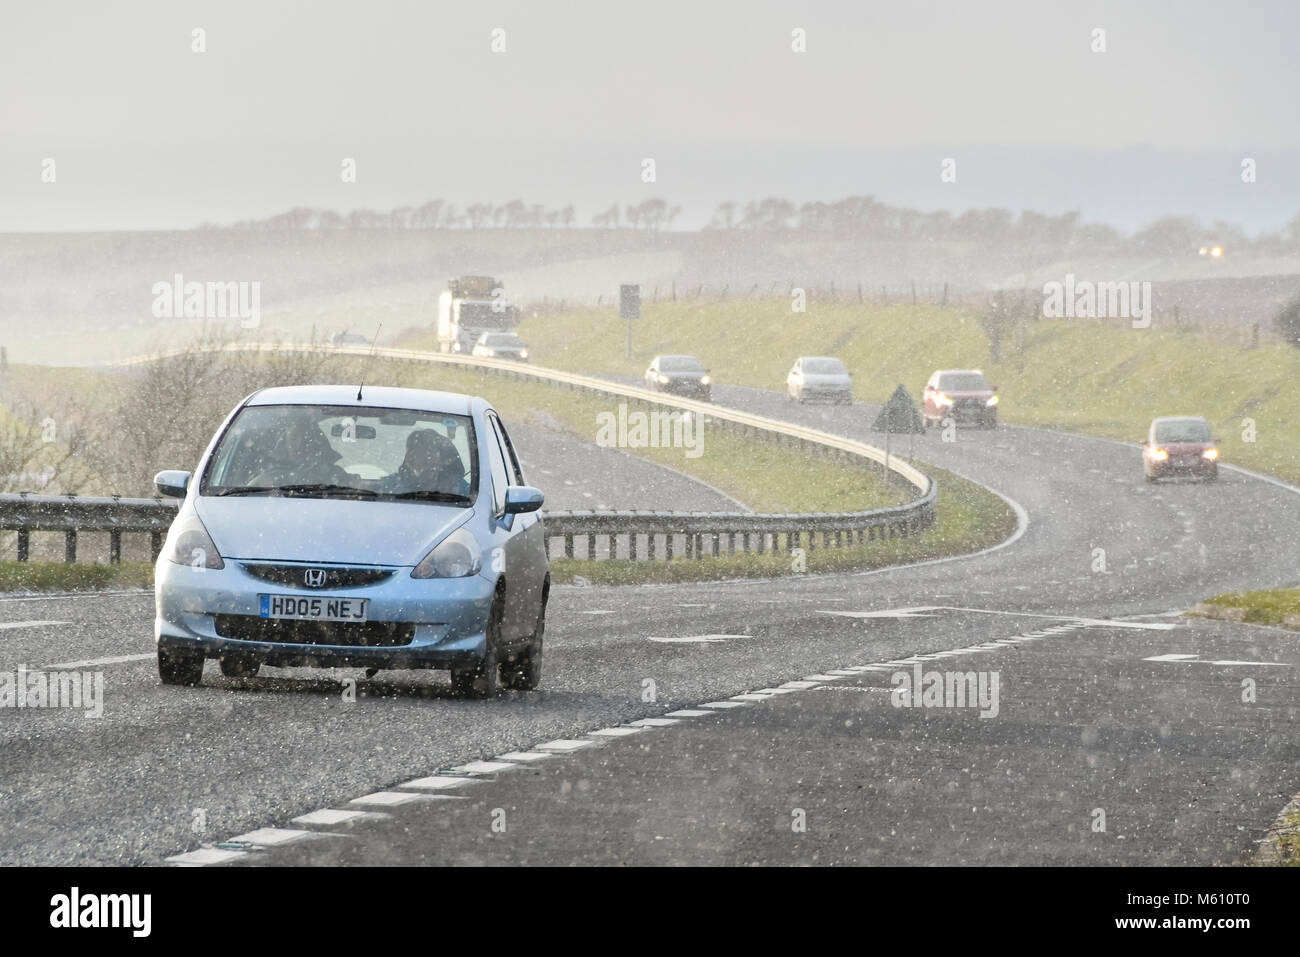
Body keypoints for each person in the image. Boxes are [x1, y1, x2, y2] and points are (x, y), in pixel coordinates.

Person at [388, 429, 469, 497]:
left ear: (440, 457)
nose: (425, 458)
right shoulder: (391, 485)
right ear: (408, 458)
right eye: (417, 452)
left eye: (429, 452)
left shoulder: (461, 491)